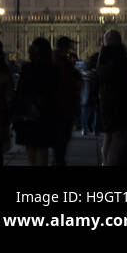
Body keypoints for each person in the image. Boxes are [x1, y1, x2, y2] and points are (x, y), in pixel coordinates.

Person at [13, 37, 58, 166]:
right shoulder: (52, 69)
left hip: (29, 112)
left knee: (31, 148)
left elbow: (21, 90)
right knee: (42, 148)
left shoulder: (27, 67)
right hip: (46, 112)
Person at [97, 29, 127, 165]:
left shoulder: (102, 56)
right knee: (119, 137)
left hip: (106, 101)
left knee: (109, 136)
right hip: (119, 103)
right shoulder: (119, 57)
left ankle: (105, 162)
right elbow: (125, 83)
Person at [53, 37, 81, 165]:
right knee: (62, 138)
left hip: (56, 104)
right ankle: (59, 160)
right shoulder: (62, 62)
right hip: (63, 104)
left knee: (59, 138)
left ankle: (58, 159)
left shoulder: (53, 59)